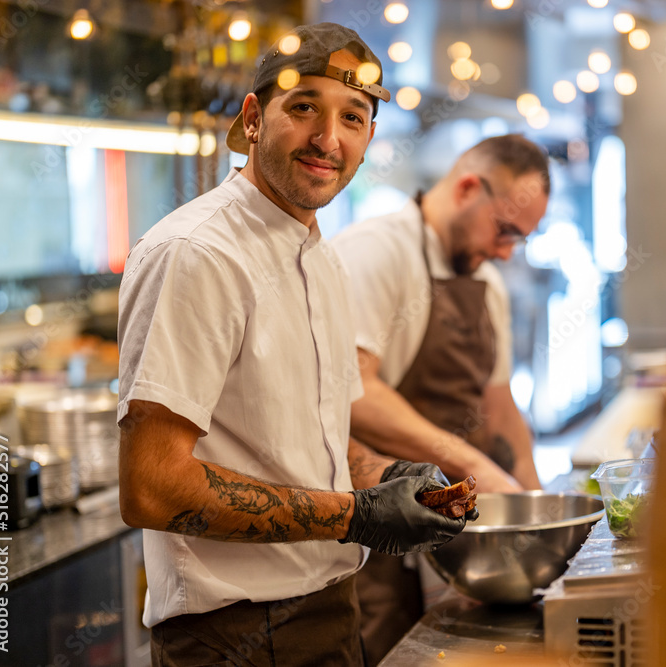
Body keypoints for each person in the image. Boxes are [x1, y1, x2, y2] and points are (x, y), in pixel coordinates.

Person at [117, 23, 470, 667]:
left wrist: (388, 479)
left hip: (331, 608)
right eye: (303, 106)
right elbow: (153, 487)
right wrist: (355, 516)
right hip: (232, 636)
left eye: (353, 117)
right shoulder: (196, 254)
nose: (328, 139)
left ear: (369, 139)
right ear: (253, 118)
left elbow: (315, 439)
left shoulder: (322, 261)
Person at [331, 134, 551, 664]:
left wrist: (539, 513)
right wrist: (470, 463)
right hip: (375, 530)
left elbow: (500, 410)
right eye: (504, 231)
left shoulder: (486, 284)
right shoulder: (376, 252)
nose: (504, 253)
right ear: (468, 188)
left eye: (517, 241)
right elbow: (353, 394)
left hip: (453, 530)